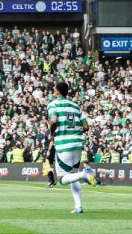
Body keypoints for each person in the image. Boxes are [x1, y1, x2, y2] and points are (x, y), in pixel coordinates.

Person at [47, 82, 95, 214]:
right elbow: (86, 127)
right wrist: (74, 131)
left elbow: (53, 120)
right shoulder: (75, 106)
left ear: (57, 92)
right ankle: (78, 206)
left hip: (63, 144)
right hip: (77, 144)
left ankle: (85, 174)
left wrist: (52, 133)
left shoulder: (53, 105)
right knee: (73, 176)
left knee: (62, 179)